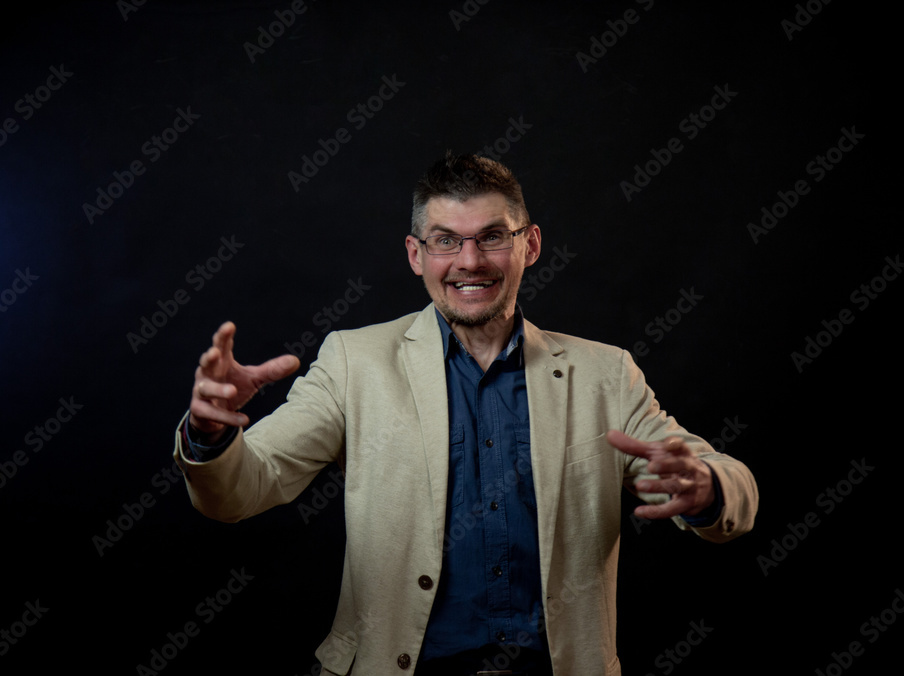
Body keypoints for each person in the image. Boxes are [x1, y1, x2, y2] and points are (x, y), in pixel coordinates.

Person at [172, 152, 758, 675]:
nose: (469, 261)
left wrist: (707, 486)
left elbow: (724, 475)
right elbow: (245, 487)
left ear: (529, 245)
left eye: (492, 237)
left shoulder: (605, 373)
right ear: (416, 254)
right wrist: (210, 434)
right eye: (445, 240)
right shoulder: (356, 362)